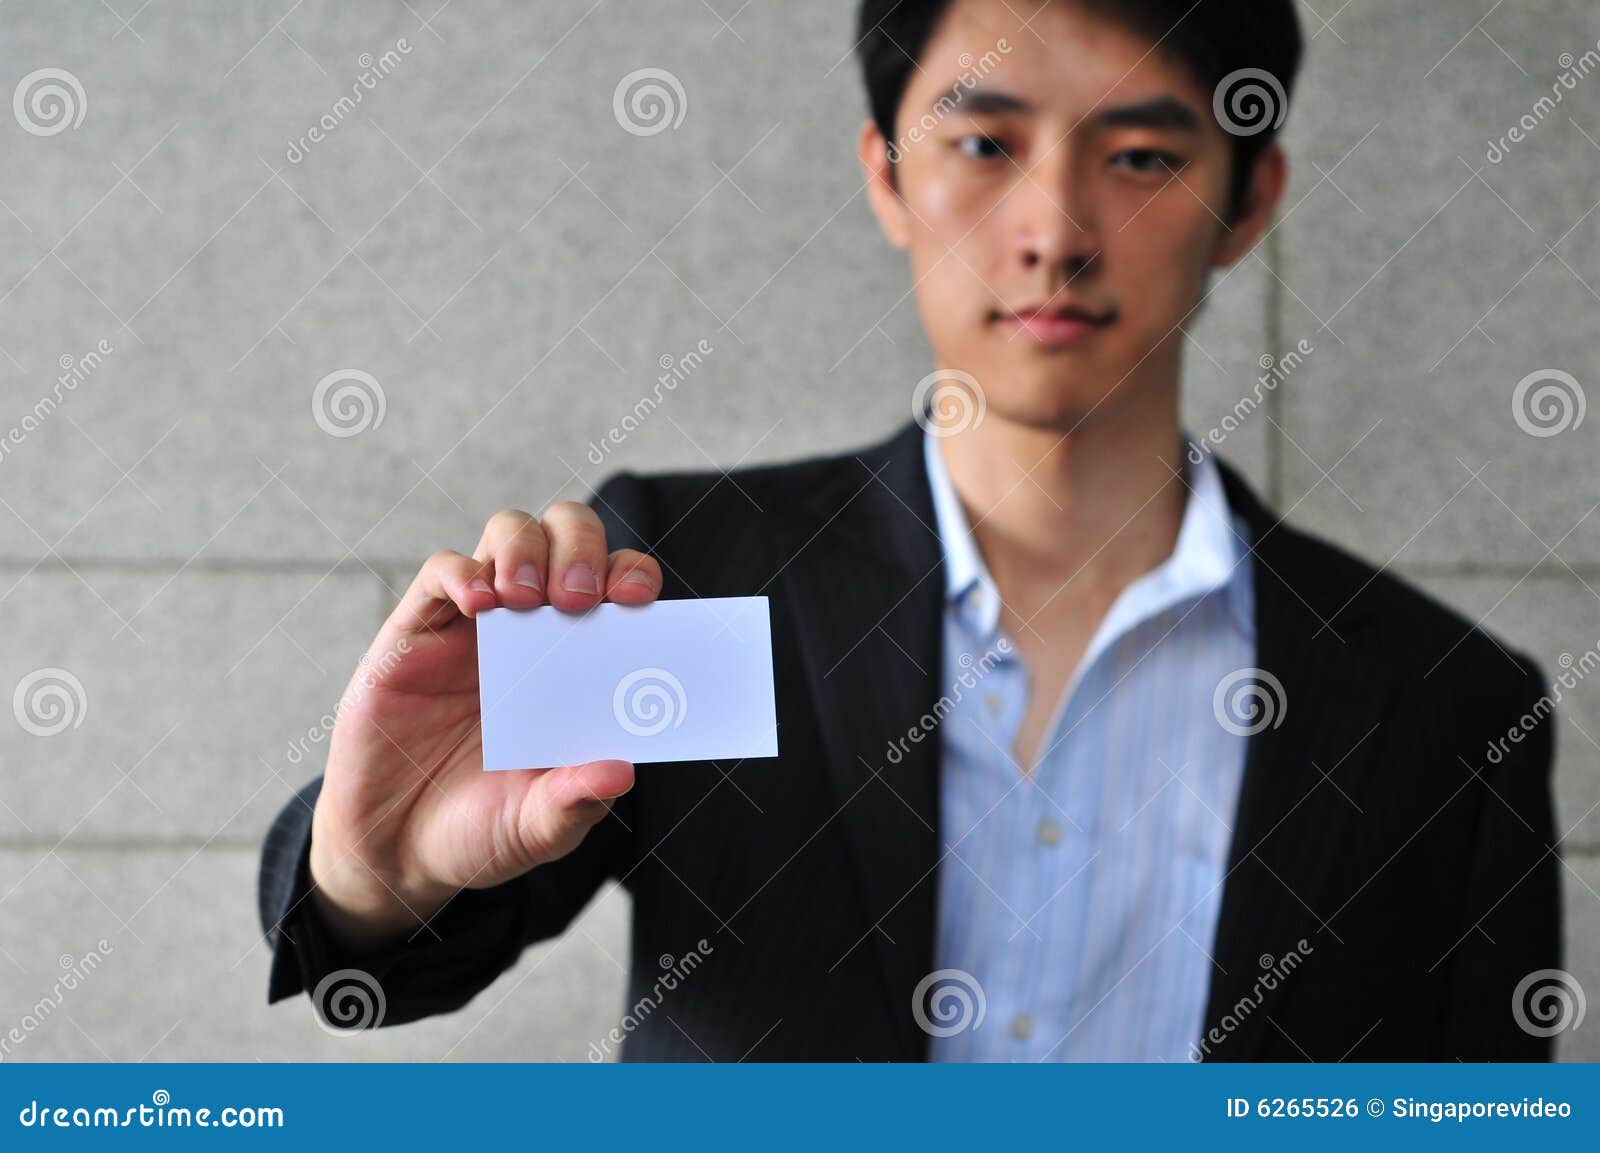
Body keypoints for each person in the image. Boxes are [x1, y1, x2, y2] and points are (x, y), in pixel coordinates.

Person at [259, 0, 1561, 1060]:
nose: (1055, 232)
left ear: (1250, 197)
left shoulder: (1441, 706)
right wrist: (379, 871)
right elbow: (376, 957)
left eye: (1144, 155)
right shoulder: (689, 577)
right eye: (986, 145)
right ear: (886, 173)